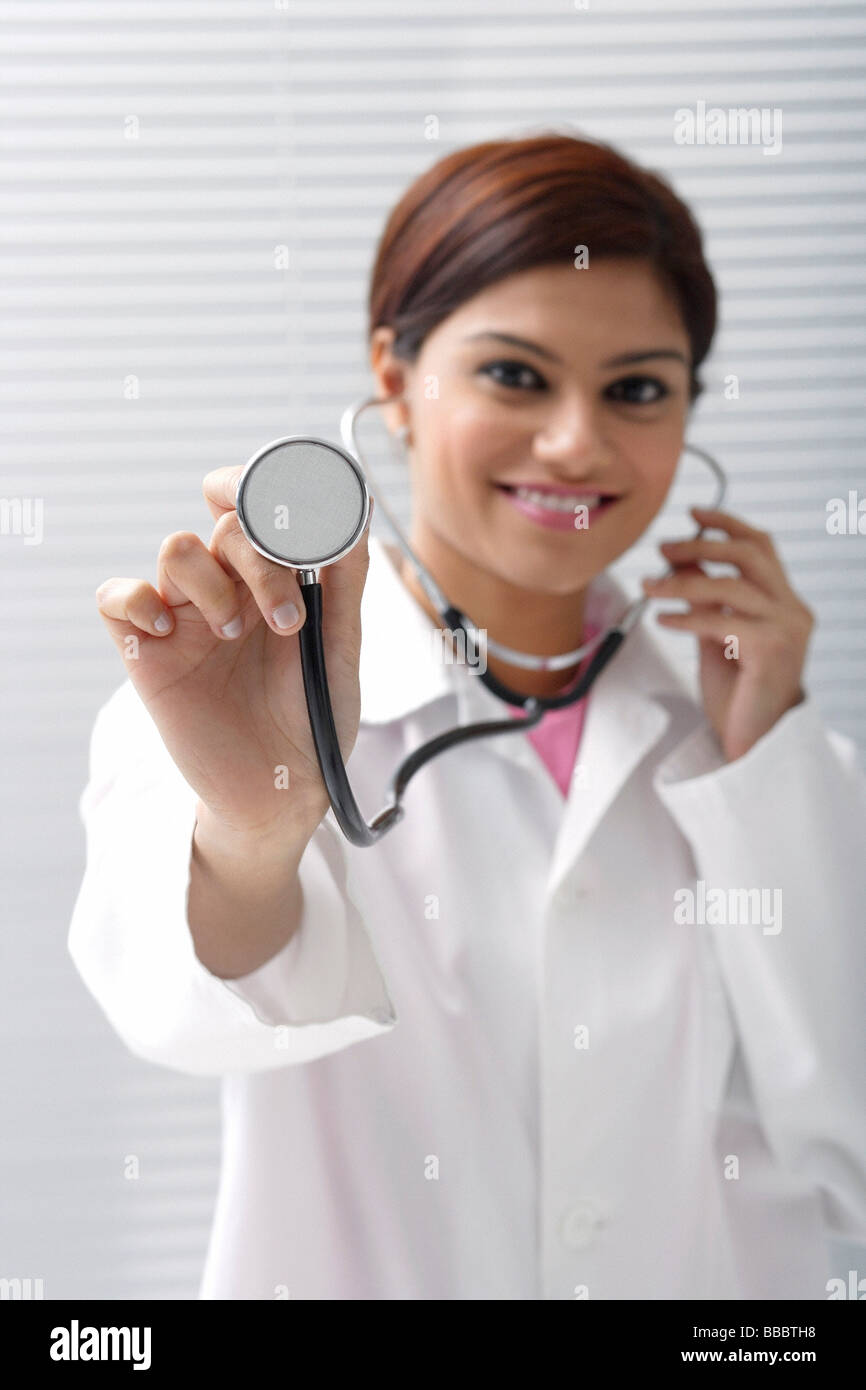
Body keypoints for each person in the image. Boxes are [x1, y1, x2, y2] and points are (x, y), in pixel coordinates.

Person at [69, 132, 866, 1300]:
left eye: (636, 388)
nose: (575, 442)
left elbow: (841, 1148)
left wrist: (771, 771)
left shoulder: (762, 751)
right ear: (392, 381)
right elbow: (179, 1015)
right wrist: (261, 827)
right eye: (514, 374)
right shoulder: (225, 690)